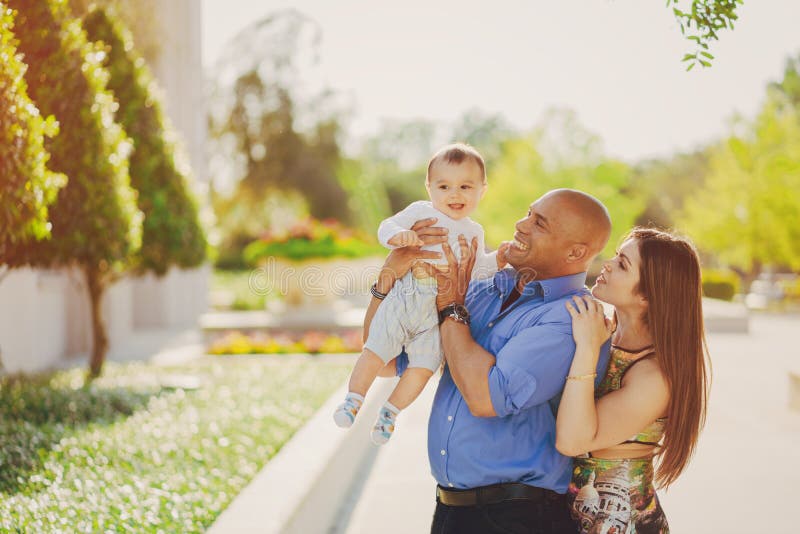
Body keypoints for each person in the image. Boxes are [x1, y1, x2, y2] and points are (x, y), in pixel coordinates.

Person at [366, 188, 613, 533]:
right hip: (453, 510)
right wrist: (387, 279)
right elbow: (384, 361)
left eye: (538, 223)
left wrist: (452, 306)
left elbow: (486, 397)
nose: (520, 225)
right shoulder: (484, 290)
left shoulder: (570, 318)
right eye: (528, 213)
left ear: (575, 251)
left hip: (517, 517)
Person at [333, 143, 507, 444]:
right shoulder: (420, 212)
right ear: (429, 187)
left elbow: (477, 270)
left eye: (466, 186)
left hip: (435, 315)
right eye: (444, 186)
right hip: (407, 296)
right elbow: (387, 225)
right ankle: (353, 398)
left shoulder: (474, 232)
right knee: (374, 350)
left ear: (483, 190)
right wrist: (398, 236)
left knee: (424, 366)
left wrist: (498, 261)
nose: (455, 194)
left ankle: (390, 412)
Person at [556, 228, 711, 533]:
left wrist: (587, 348)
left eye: (623, 264)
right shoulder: (603, 335)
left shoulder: (654, 376)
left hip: (619, 522)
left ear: (647, 295)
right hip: (567, 515)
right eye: (615, 255)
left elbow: (572, 440)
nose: (608, 264)